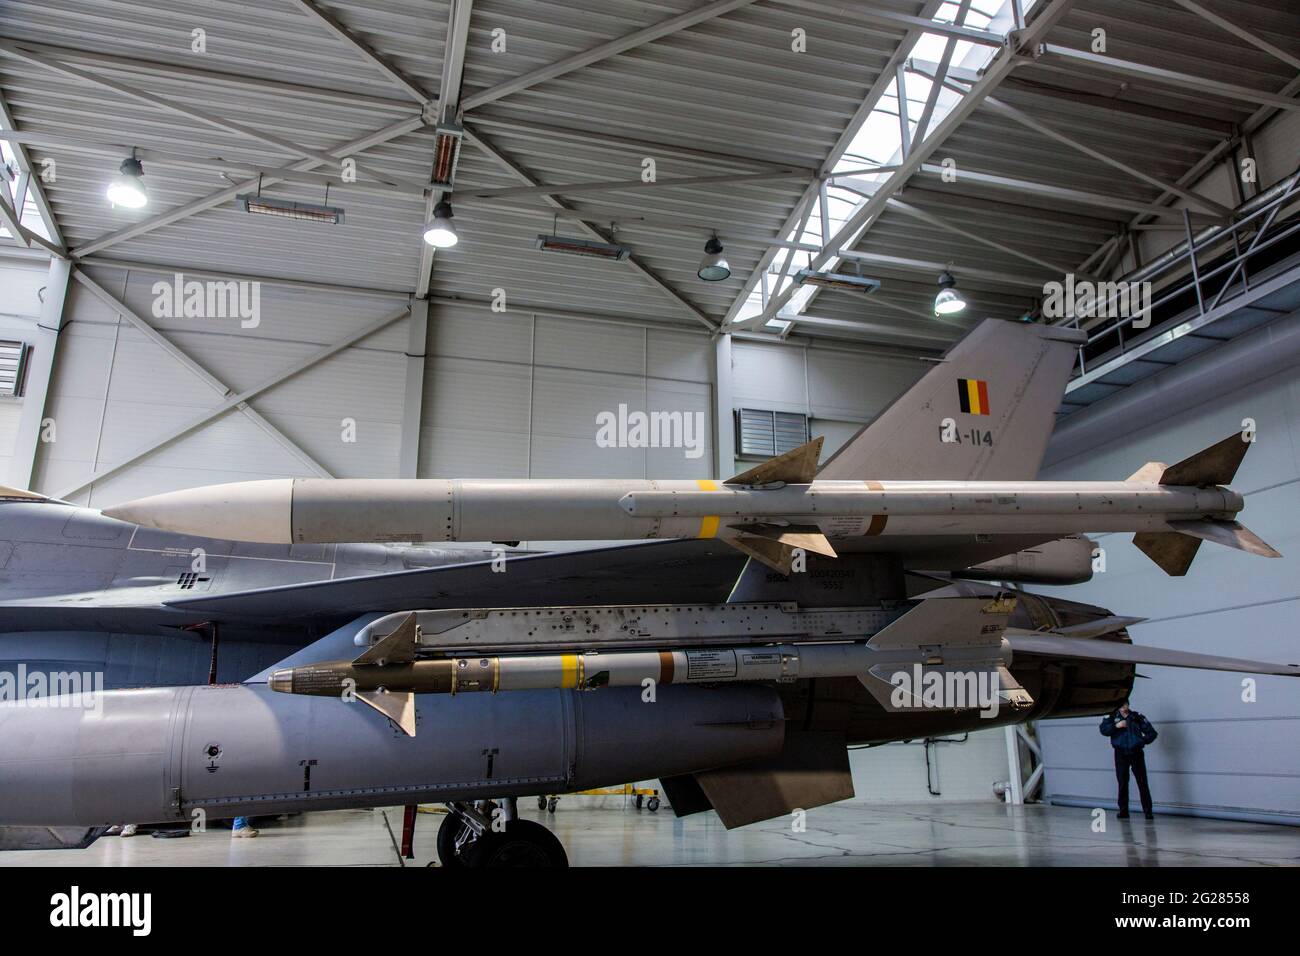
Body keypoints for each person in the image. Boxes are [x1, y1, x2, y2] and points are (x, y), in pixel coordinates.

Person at [1099, 698, 1158, 820]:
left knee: (1142, 782)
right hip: (1120, 753)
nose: (1123, 707)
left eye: (1125, 704)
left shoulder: (1136, 717)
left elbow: (1152, 733)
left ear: (1128, 705)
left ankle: (1148, 811)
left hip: (1135, 752)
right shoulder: (1111, 717)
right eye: (1121, 705)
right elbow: (1104, 730)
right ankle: (1123, 810)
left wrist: (1141, 741)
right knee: (1122, 782)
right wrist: (1116, 726)